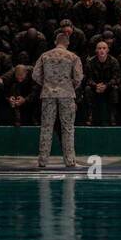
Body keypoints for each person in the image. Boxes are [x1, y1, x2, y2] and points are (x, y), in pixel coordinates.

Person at [32, 31, 84, 168]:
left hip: (48, 94)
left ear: (55, 42)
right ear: (68, 43)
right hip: (66, 94)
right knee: (67, 128)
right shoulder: (73, 57)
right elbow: (78, 77)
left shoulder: (45, 56)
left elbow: (35, 75)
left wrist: (47, 83)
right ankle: (70, 161)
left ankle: (42, 161)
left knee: (46, 127)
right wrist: (69, 85)